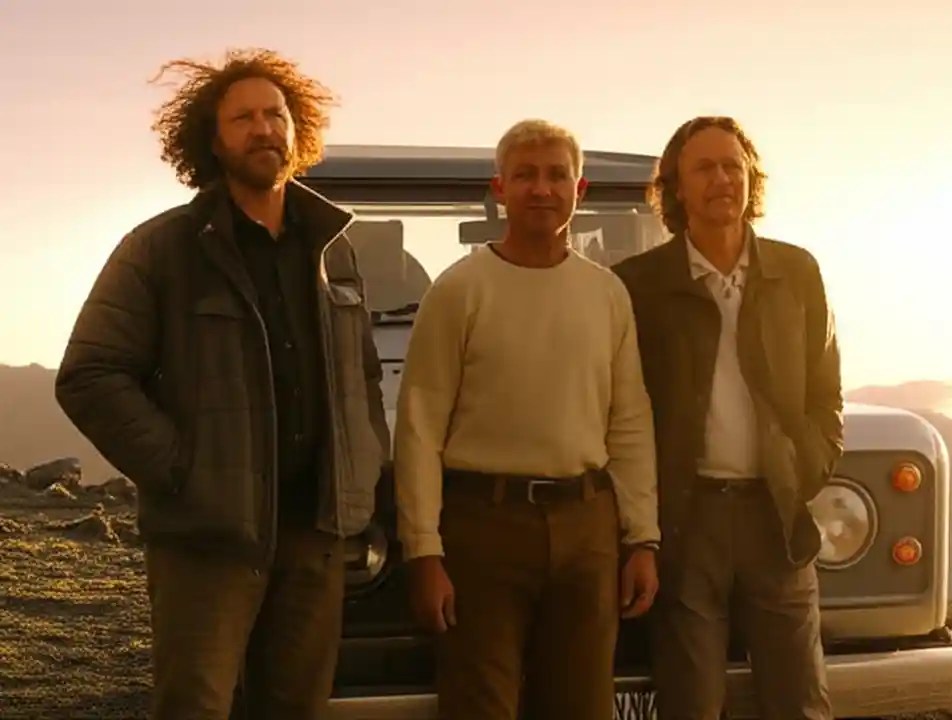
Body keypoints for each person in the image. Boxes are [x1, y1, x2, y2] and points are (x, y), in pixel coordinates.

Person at [54, 48, 390, 719]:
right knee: (195, 707)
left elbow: (363, 372)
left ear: (297, 129)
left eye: (276, 114)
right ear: (212, 139)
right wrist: (183, 470)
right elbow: (90, 374)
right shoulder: (162, 249)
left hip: (314, 535)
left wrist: (364, 465)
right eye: (243, 118)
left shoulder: (333, 248)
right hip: (208, 541)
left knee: (297, 707)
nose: (264, 129)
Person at [393, 118, 661, 720]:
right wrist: (424, 552)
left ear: (579, 189)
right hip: (483, 526)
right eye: (526, 176)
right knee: (481, 706)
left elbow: (629, 423)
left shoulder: (607, 295)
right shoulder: (459, 291)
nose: (542, 189)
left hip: (587, 527)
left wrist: (642, 538)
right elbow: (419, 427)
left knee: (582, 705)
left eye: (557, 175)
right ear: (500, 189)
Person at [612, 115, 845, 720]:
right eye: (704, 168)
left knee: (800, 701)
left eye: (732, 166)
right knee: (691, 703)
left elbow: (825, 393)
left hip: (778, 518)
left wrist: (807, 466)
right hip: (687, 524)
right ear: (676, 187)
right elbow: (619, 410)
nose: (722, 179)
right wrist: (643, 527)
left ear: (750, 179)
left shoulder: (796, 273)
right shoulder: (637, 286)